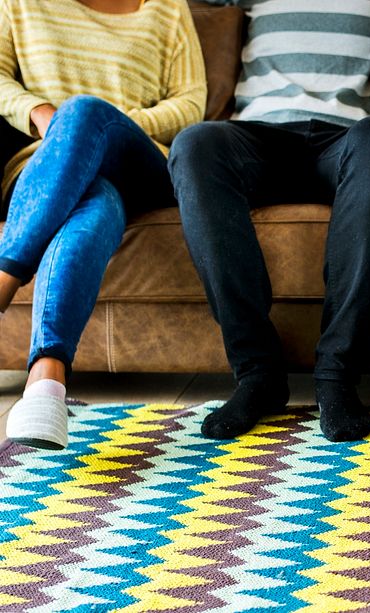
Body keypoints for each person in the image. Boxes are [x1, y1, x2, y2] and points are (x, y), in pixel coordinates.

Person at [168, 0, 370, 443]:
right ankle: (257, 375)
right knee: (195, 142)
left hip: (347, 140)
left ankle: (336, 376)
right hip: (259, 135)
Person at [0, 0, 206, 449]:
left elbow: (192, 102)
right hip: (46, 164)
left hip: (138, 159)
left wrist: (103, 122)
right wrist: (40, 113)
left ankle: (4, 277)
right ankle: (46, 381)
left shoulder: (167, 8)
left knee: (86, 113)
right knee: (96, 203)